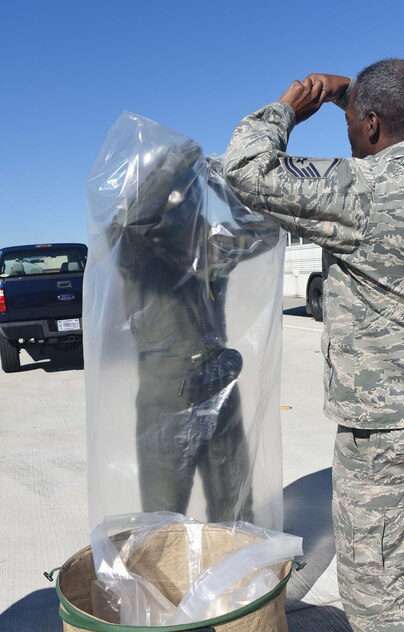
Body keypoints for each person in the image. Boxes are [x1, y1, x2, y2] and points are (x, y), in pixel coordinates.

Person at [224, 59, 404, 632]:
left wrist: (290, 109)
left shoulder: (362, 191)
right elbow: (399, 136)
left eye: (358, 125)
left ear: (370, 125)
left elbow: (244, 169)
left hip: (382, 422)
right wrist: (350, 106)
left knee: (374, 565)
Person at [107, 128, 280, 523]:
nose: (191, 208)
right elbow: (131, 221)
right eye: (181, 199)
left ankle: (236, 577)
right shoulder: (138, 252)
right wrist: (175, 164)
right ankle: (166, 585)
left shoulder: (208, 247)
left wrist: (224, 179)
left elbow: (266, 230)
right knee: (163, 515)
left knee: (236, 506)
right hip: (168, 396)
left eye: (194, 199)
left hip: (219, 385)